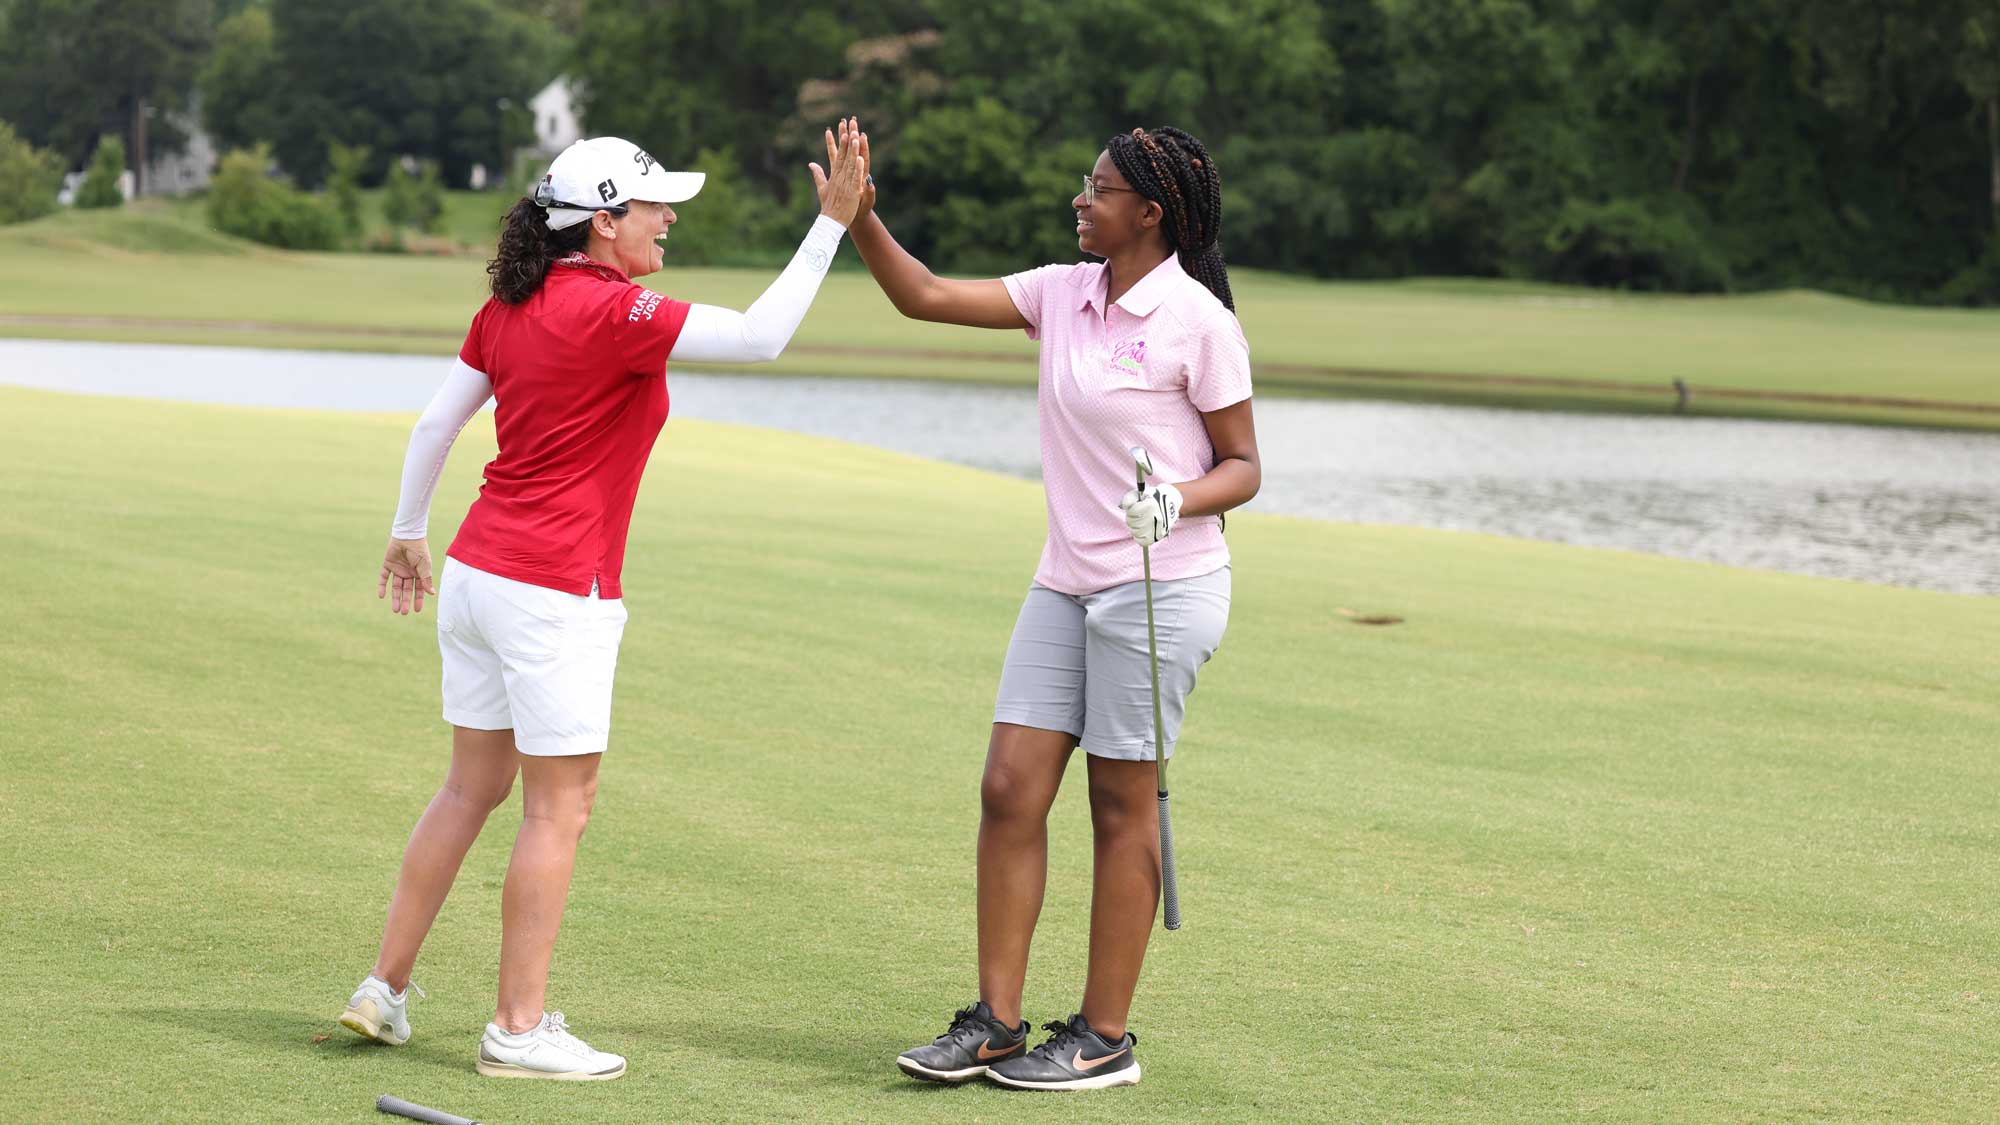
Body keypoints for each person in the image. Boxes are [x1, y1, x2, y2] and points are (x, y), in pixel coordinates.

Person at [339, 129, 869, 1080]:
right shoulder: (617, 310)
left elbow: (434, 422)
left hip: (478, 571)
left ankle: (385, 987)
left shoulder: (509, 303)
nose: (669, 219)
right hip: (555, 590)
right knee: (559, 808)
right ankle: (517, 1026)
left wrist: (408, 527)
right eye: (655, 206)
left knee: (469, 787)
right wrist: (830, 226)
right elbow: (762, 336)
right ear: (604, 221)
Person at [845, 121, 1261, 1091]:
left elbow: (1242, 467)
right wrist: (863, 217)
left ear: (1148, 213)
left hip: (1160, 585)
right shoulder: (1061, 292)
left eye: (1099, 187)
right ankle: (994, 1022)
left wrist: (1177, 498)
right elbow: (923, 295)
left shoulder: (1197, 322)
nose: (1080, 197)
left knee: (1119, 807)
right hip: (1065, 578)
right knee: (1007, 787)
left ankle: (1102, 1038)